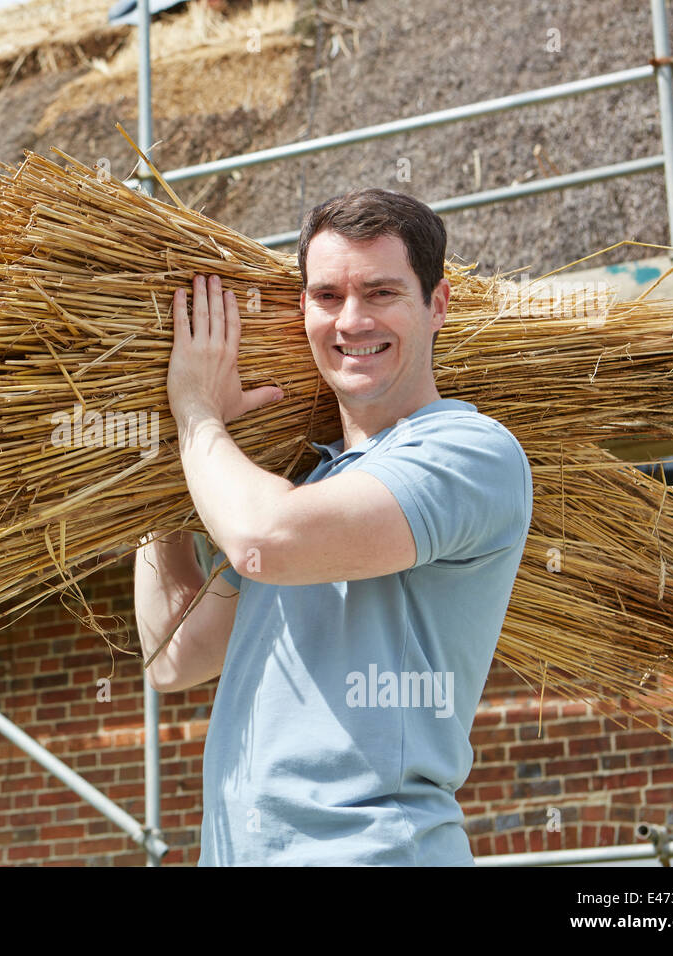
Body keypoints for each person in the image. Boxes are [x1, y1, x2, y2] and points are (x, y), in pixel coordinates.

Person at [133, 188, 533, 865]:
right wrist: (164, 485)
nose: (351, 320)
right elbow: (174, 656)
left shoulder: (470, 452)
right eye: (326, 296)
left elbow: (264, 541)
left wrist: (196, 412)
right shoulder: (306, 487)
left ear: (436, 305)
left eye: (381, 293)